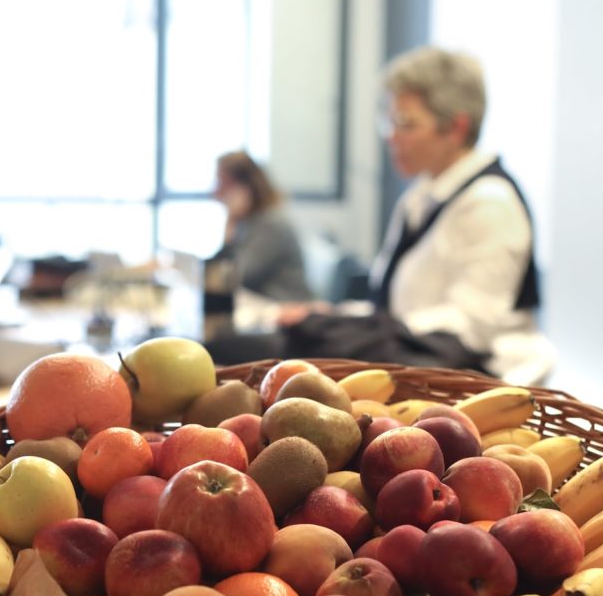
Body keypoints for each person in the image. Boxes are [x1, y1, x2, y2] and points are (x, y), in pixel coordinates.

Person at [220, 46, 551, 381]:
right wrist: (338, 315)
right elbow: (394, 311)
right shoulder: (421, 196)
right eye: (390, 121)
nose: (392, 136)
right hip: (416, 361)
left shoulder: (489, 204)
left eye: (406, 123)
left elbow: (472, 328)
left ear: (455, 127)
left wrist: (358, 326)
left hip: (465, 382)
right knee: (246, 350)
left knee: (259, 362)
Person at [211, 151, 312, 302]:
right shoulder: (248, 223)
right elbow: (219, 268)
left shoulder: (271, 224)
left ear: (244, 188)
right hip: (262, 307)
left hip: (286, 308)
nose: (216, 193)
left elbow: (239, 276)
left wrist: (230, 222)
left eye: (221, 184)